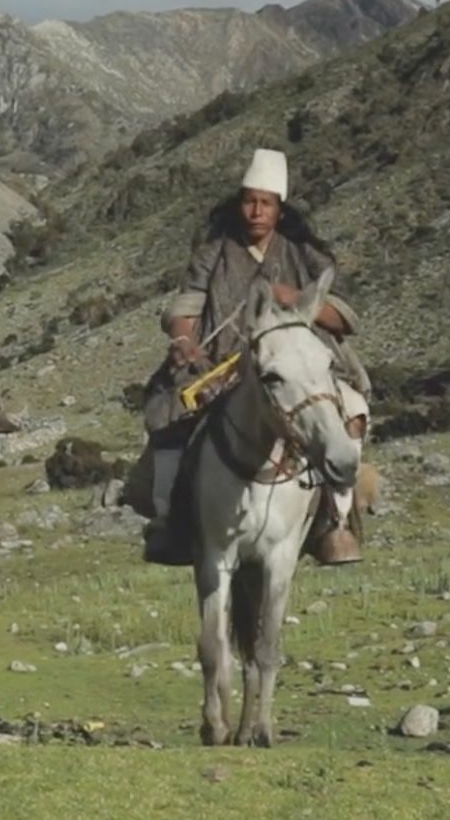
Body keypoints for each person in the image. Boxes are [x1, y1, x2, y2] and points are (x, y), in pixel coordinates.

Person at [130, 147, 372, 566]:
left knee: (347, 410)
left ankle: (337, 520)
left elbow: (344, 317)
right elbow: (184, 308)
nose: (256, 211)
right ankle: (170, 520)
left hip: (295, 366)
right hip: (221, 365)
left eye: (266, 203)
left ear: (280, 209)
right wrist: (183, 340)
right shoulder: (214, 253)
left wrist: (297, 298)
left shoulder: (304, 254)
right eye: (249, 201)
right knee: (172, 411)